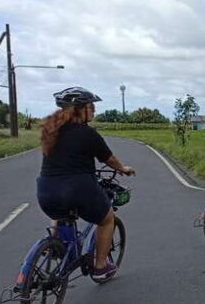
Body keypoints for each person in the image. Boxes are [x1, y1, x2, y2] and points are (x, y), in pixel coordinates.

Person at [37, 87, 135, 279]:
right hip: (78, 188)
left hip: (46, 190)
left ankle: (58, 248)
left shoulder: (50, 131)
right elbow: (109, 159)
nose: (94, 110)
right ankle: (100, 266)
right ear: (79, 109)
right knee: (107, 219)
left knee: (60, 212)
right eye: (91, 106)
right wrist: (122, 169)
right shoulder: (87, 133)